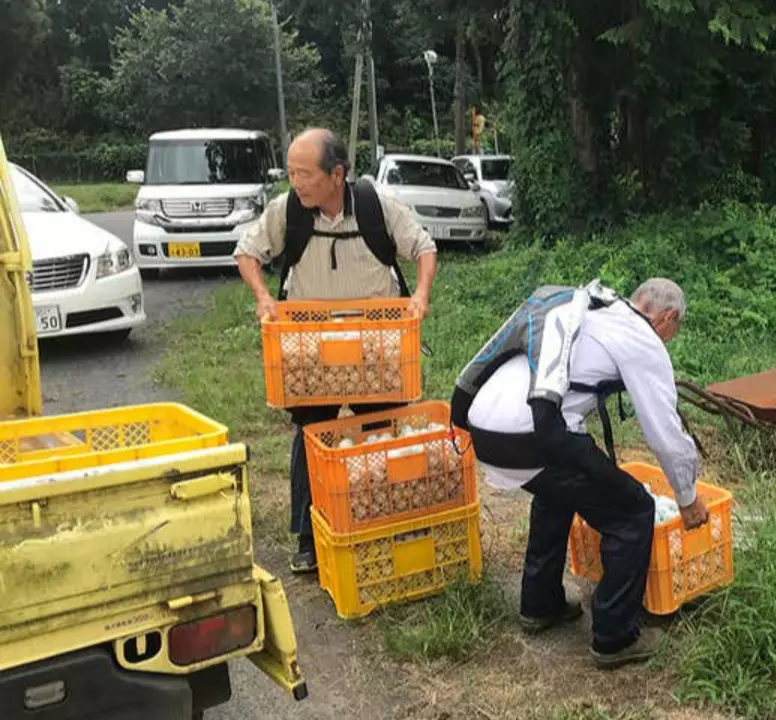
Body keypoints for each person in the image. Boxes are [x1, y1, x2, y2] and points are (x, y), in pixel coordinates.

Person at [450, 278, 707, 670]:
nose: (672, 337)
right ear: (668, 317)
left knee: (557, 489)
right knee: (633, 511)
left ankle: (540, 604)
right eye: (676, 329)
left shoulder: (593, 311)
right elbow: (666, 434)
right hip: (532, 432)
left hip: (484, 428)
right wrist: (687, 499)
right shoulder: (642, 339)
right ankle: (615, 637)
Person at [234, 128, 437, 573]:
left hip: (377, 345)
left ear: (337, 174)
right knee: (313, 434)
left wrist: (420, 294)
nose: (297, 183)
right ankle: (309, 538)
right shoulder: (288, 210)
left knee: (382, 430)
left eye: (305, 174)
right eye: (291, 173)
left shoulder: (374, 206)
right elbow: (246, 253)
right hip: (311, 348)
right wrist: (263, 298)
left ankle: (383, 520)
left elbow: (423, 247)